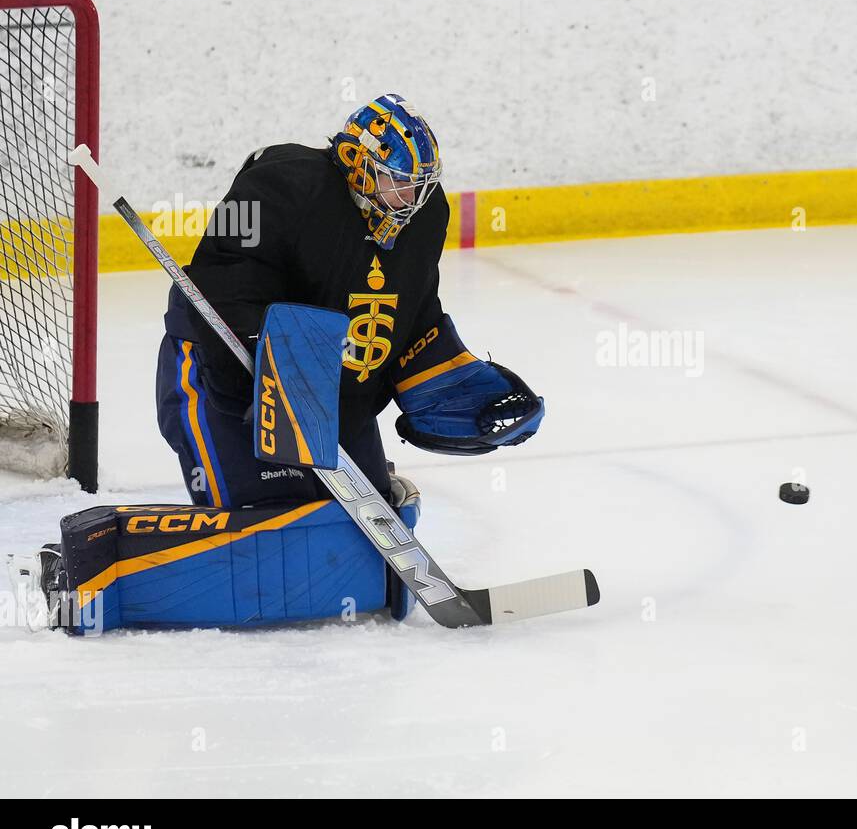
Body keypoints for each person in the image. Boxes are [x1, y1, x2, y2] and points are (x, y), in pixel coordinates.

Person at [41, 95, 543, 633]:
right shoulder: (280, 184)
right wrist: (275, 352)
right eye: (399, 181)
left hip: (330, 392)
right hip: (222, 376)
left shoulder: (425, 216)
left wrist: (448, 383)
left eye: (421, 184)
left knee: (362, 535)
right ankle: (89, 570)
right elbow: (222, 283)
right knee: (273, 530)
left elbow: (413, 315)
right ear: (357, 162)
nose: (413, 198)